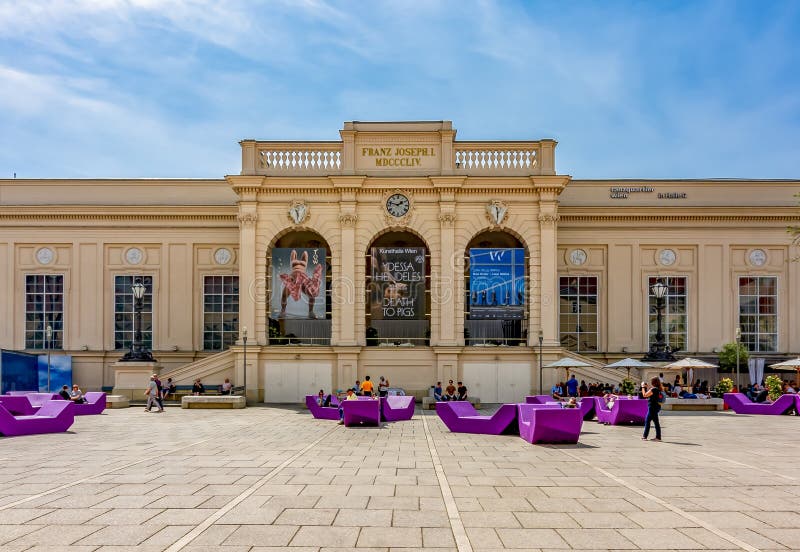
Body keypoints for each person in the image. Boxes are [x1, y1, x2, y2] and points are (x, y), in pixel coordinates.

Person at [641, 377, 663, 441]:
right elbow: (651, 393)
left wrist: (642, 387)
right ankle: (658, 437)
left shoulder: (653, 389)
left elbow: (645, 395)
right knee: (656, 422)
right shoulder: (659, 389)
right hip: (657, 407)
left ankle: (645, 436)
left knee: (648, 421)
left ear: (653, 382)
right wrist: (648, 387)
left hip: (652, 407)